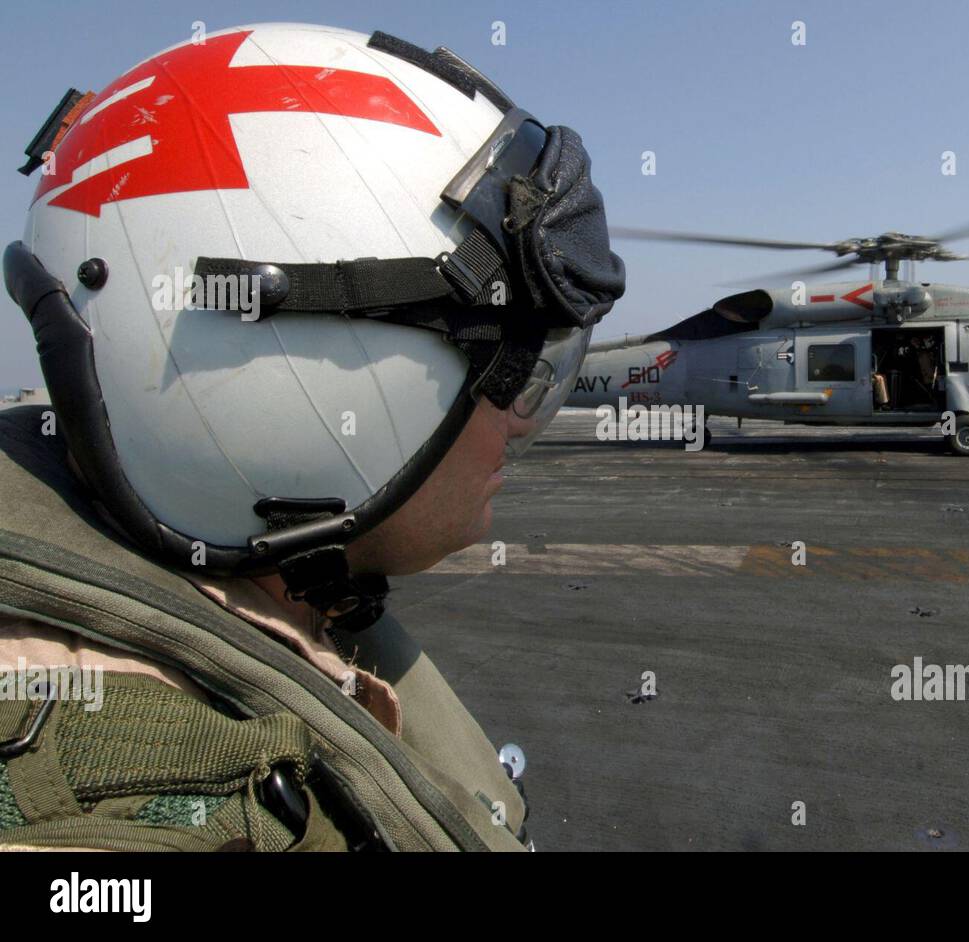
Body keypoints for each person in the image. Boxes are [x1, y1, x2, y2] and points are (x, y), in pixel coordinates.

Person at [0, 23, 623, 852]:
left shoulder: (285, 600)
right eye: (512, 366)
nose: (518, 416)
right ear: (324, 385)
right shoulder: (133, 819)